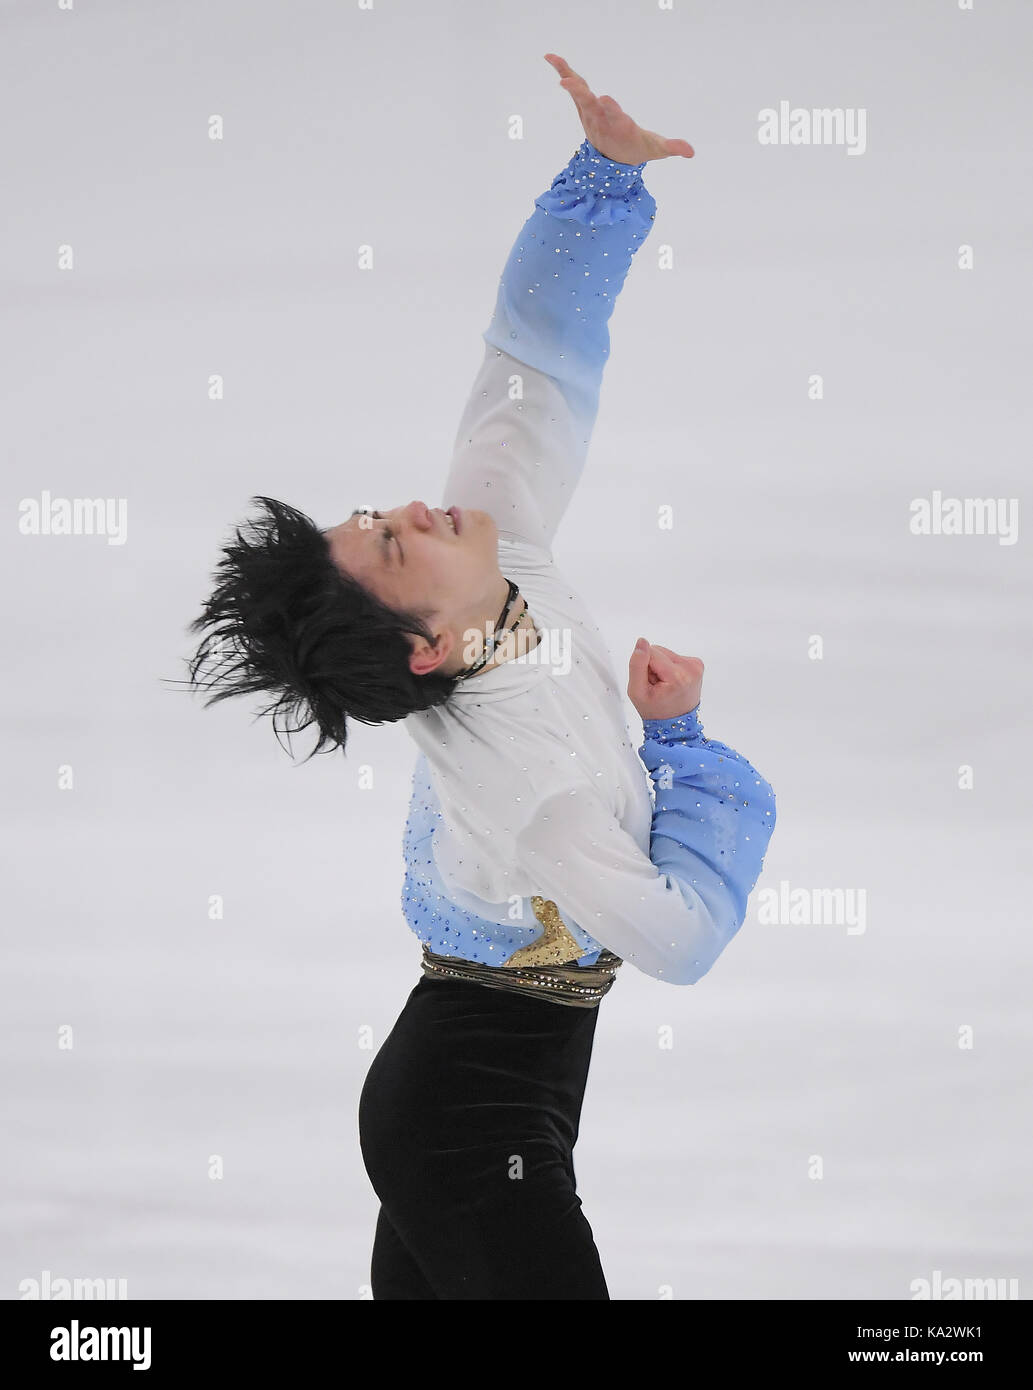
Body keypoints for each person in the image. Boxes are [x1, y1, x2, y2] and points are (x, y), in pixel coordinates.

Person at [185, 54, 776, 1300]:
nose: (414, 505)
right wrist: (688, 754)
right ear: (423, 648)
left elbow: (535, 358)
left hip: (470, 1098)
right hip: (470, 1125)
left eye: (378, 514)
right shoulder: (534, 789)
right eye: (395, 541)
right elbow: (679, 937)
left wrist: (603, 182)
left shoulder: (499, 560)